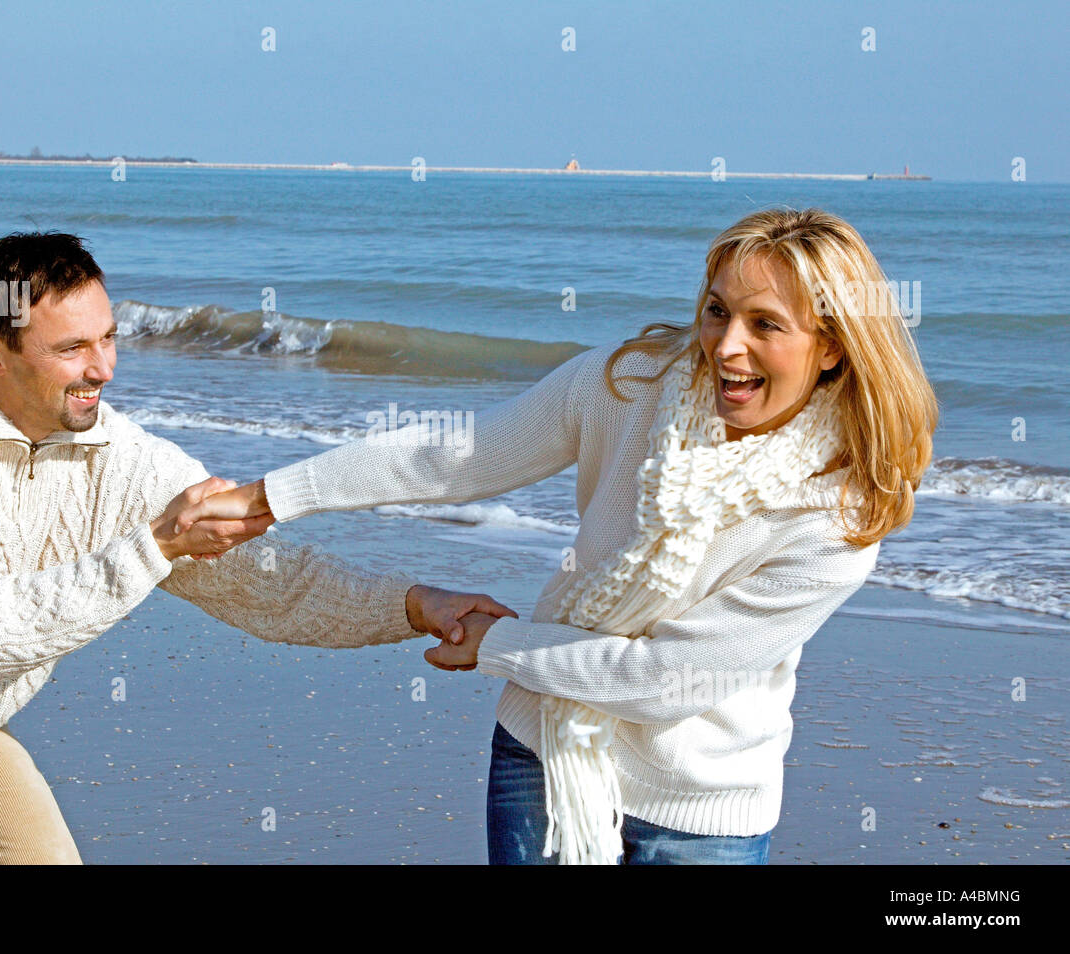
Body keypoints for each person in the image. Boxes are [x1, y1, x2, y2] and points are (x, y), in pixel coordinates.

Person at [184, 208, 939, 864]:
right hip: (544, 749)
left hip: (701, 804)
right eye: (717, 311)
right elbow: (456, 457)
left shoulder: (836, 516)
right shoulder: (630, 385)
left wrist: (497, 646)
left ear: (833, 345)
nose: (725, 347)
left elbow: (669, 679)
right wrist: (271, 497)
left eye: (765, 325)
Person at [0, 232, 511, 864]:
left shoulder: (119, 455)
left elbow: (265, 582)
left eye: (109, 337)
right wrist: (155, 545)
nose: (104, 369)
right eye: (72, 348)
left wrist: (414, 605)